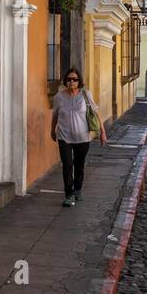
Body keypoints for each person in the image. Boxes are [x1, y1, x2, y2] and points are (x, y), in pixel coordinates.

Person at [50, 67, 106, 207]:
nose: (71, 82)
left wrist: (103, 132)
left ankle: (78, 190)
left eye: (74, 79)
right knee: (67, 165)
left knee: (79, 165)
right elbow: (55, 115)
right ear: (65, 81)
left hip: (83, 137)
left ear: (79, 81)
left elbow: (97, 113)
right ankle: (69, 195)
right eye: (69, 79)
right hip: (64, 137)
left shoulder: (86, 94)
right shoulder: (59, 97)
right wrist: (52, 131)